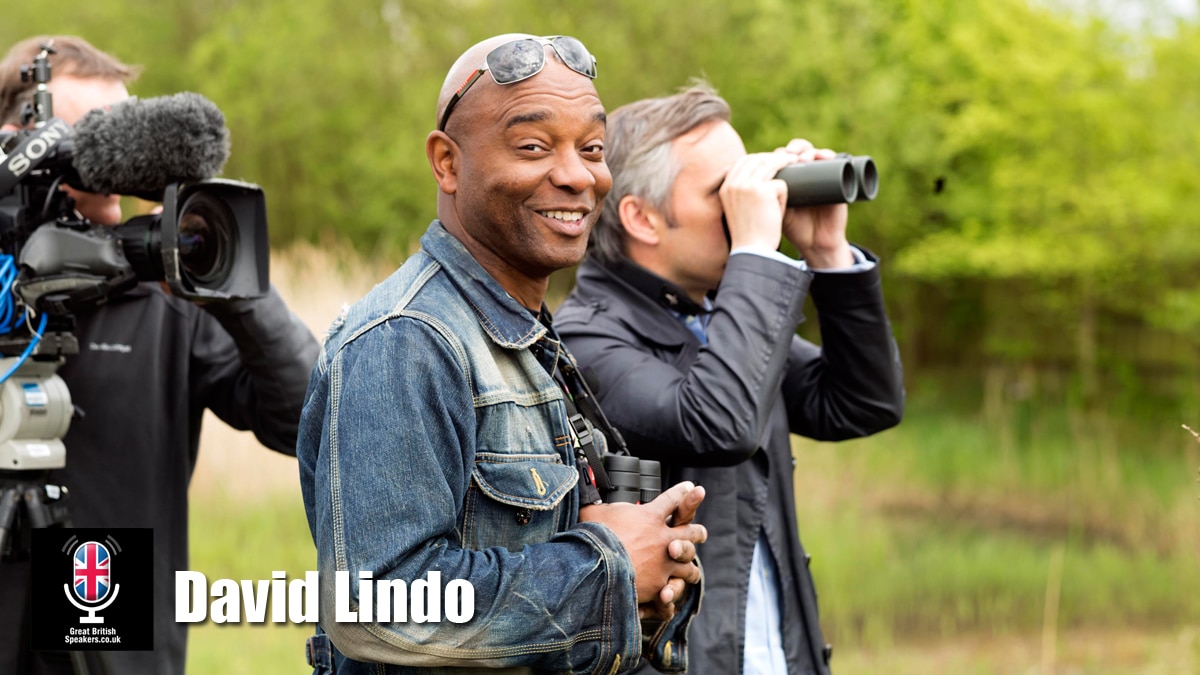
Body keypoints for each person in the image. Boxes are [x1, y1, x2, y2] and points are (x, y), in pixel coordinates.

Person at [297, 34, 709, 674]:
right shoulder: (408, 339)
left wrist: (640, 577)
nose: (577, 175)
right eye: (533, 147)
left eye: (593, 149)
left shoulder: (524, 332)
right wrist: (606, 567)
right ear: (447, 163)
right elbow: (377, 609)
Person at [555, 82, 906, 675]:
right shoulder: (587, 339)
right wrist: (757, 256)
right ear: (642, 218)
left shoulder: (715, 320)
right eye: (728, 191)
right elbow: (717, 423)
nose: (756, 202)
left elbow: (860, 402)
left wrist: (827, 252)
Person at [0, 35, 320, 675]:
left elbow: (304, 420)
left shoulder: (164, 295)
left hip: (104, 606)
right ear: (19, 142)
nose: (120, 164)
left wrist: (231, 284)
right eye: (94, 136)